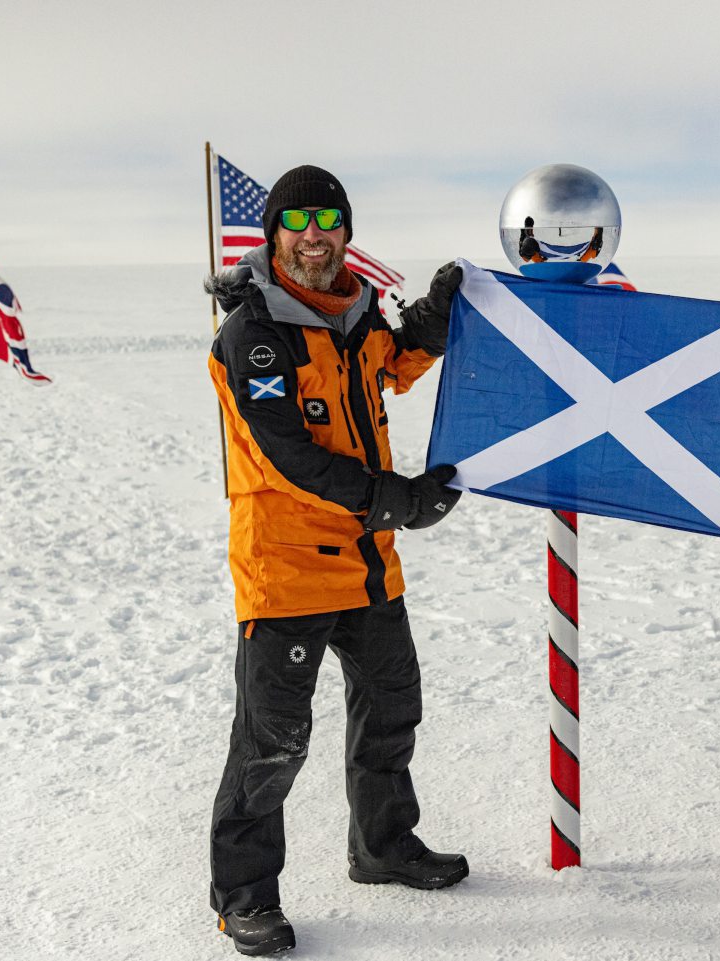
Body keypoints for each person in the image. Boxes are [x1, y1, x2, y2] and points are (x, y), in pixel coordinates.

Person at [203, 164, 467, 956]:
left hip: (368, 566)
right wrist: (396, 499)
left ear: (346, 232)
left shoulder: (355, 313)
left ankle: (383, 846)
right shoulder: (254, 334)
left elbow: (395, 361)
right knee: (272, 742)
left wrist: (437, 315)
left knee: (391, 711)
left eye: (328, 221)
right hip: (286, 572)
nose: (313, 236)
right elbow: (287, 456)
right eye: (297, 222)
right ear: (274, 235)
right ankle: (245, 897)